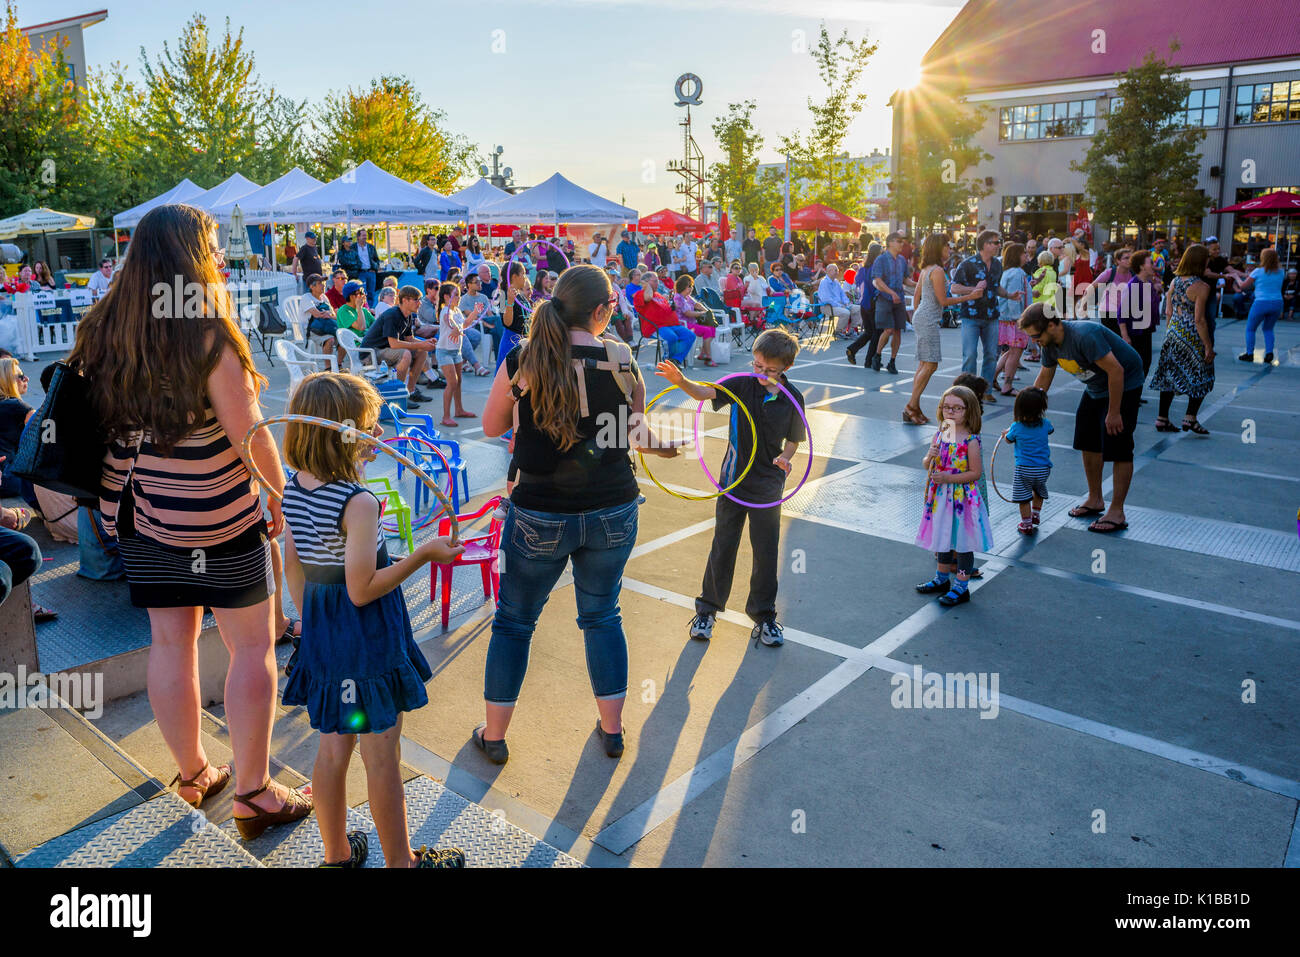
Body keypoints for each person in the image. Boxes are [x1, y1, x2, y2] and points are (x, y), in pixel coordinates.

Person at [66, 202, 313, 833]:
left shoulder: (103, 329)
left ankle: (193, 773)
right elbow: (249, 435)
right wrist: (280, 492)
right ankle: (255, 792)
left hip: (144, 516)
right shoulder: (209, 335)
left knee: (170, 645)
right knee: (252, 647)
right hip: (221, 519)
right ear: (192, 256)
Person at [475, 264, 685, 763]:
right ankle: (611, 730)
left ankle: (496, 735)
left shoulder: (523, 360)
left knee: (513, 622)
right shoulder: (621, 359)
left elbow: (489, 427)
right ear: (598, 311)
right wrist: (670, 449)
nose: (615, 311)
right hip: (613, 507)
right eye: (613, 304)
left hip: (539, 514)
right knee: (602, 614)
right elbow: (635, 435)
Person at [280, 371, 466, 868]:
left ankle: (337, 855)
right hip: (365, 640)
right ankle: (401, 863)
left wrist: (314, 621)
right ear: (341, 434)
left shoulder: (292, 488)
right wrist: (424, 553)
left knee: (332, 749)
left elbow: (293, 565)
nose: (378, 436)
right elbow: (362, 590)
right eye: (368, 427)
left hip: (324, 633)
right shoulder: (358, 502)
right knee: (382, 756)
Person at [674, 329, 806, 647]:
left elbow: (794, 441)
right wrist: (681, 382)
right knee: (724, 545)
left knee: (765, 551)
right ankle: (707, 610)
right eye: (757, 365)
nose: (761, 373)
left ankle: (764, 616)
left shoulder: (792, 398)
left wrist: (785, 460)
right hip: (734, 480)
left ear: (785, 369)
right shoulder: (741, 384)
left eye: (770, 370)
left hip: (768, 485)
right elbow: (703, 394)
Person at [1019, 303, 1145, 534]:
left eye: (1036, 336)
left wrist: (1114, 412)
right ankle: (1095, 499)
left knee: (1119, 444)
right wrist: (1026, 413)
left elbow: (1116, 371)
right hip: (1096, 387)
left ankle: (1117, 511)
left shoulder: (1084, 335)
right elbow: (1045, 375)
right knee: (1087, 440)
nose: (1034, 342)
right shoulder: (1048, 342)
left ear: (1052, 324)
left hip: (1124, 383)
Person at [914, 385, 994, 607]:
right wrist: (929, 457)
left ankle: (961, 586)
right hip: (940, 497)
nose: (950, 412)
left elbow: (975, 473)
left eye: (957, 408)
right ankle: (941, 579)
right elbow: (927, 465)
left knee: (963, 543)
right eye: (946, 407)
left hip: (962, 499)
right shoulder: (942, 432)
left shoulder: (971, 440)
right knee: (943, 537)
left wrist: (948, 478)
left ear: (969, 411)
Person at [903, 235, 985, 426]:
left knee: (925, 364)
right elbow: (944, 301)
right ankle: (910, 406)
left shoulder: (927, 269)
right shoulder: (937, 270)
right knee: (930, 365)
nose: (949, 248)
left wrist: (919, 315)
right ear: (937, 248)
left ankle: (913, 407)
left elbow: (917, 296)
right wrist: (971, 296)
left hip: (923, 318)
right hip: (928, 320)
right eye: (946, 245)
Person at [1149, 244, 1215, 435]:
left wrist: (1172, 332)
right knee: (1203, 374)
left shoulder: (1175, 282)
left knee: (1170, 375)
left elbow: (1168, 311)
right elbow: (1199, 319)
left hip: (1174, 333)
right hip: (1193, 335)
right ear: (1201, 261)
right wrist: (1208, 345)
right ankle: (1190, 418)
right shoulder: (1202, 287)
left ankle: (1162, 418)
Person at [951, 231, 1012, 400]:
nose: (998, 245)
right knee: (970, 354)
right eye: (995, 242)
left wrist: (1009, 295)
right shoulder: (968, 264)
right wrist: (974, 289)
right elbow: (954, 288)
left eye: (999, 242)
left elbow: (995, 287)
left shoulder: (998, 265)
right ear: (985, 244)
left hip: (992, 315)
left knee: (991, 355)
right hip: (971, 316)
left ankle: (986, 391)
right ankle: (968, 392)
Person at [360, 285, 436, 406]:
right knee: (405, 354)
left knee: (422, 352)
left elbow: (409, 339)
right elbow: (394, 344)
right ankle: (399, 396)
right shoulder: (392, 315)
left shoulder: (408, 315)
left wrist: (426, 343)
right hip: (371, 353)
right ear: (405, 300)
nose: (420, 303)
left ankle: (410, 392)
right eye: (416, 299)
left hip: (385, 350)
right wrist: (422, 344)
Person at [1003, 387, 1053, 535]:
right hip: (1044, 468)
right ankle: (1035, 514)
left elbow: (1008, 440)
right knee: (1038, 490)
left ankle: (1026, 524)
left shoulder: (1016, 427)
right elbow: (1050, 430)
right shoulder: (1046, 423)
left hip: (1024, 469)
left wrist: (1006, 433)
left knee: (1023, 497)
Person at [435, 281, 484, 428]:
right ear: (446, 297)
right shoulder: (446, 311)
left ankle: (459, 410)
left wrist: (475, 312)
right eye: (455, 294)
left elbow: (465, 324)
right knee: (452, 383)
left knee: (458, 382)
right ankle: (445, 416)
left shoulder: (456, 311)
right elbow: (448, 321)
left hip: (456, 352)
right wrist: (456, 328)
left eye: (458, 294)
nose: (459, 297)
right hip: (444, 352)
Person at [870, 232, 914, 373]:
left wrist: (919, 284)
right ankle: (877, 356)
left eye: (903, 241)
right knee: (888, 329)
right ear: (890, 243)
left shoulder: (902, 260)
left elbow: (905, 280)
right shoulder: (881, 259)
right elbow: (877, 280)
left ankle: (892, 361)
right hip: (885, 298)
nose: (902, 244)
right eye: (899, 241)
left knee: (898, 331)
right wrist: (891, 293)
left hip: (898, 299)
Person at [632, 271, 695, 365]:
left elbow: (668, 308)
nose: (658, 283)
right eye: (655, 281)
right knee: (671, 337)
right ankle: (668, 361)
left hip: (672, 325)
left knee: (690, 335)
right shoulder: (639, 294)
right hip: (655, 327)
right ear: (646, 282)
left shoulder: (659, 295)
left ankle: (676, 359)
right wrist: (646, 286)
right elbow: (648, 297)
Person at [994, 242, 1031, 397]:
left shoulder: (1009, 272)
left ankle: (991, 379)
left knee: (1010, 351)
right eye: (1024, 253)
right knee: (1015, 352)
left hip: (1006, 317)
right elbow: (1013, 297)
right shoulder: (1017, 273)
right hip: (1014, 318)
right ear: (1017, 256)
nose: (1027, 256)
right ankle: (1007, 385)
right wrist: (1019, 318)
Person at [1121, 250, 1162, 390]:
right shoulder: (1133, 285)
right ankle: (1130, 394)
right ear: (1142, 266)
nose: (1153, 265)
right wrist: (1125, 336)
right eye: (1151, 262)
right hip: (1135, 332)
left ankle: (1135, 393)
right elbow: (1122, 313)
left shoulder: (1148, 283)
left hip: (1146, 330)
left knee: (1146, 363)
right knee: (1137, 365)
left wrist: (1158, 291)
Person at [1238, 247, 1285, 363]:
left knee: (1251, 329)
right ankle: (1269, 353)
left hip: (1261, 302)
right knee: (1268, 329)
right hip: (1277, 303)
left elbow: (1243, 286)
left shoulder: (1257, 271)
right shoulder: (1281, 272)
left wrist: (1235, 276)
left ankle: (1249, 354)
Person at [846, 242, 883, 367]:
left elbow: (857, 286)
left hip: (863, 304)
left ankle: (852, 349)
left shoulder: (862, 270)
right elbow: (878, 287)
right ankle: (869, 360)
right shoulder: (876, 269)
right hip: (873, 303)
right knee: (877, 332)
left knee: (869, 332)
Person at [673, 274, 717, 366]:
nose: (691, 288)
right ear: (682, 286)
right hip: (683, 325)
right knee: (706, 330)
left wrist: (707, 311)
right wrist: (701, 314)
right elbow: (687, 313)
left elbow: (697, 305)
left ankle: (703, 353)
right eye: (689, 286)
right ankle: (708, 357)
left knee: (712, 327)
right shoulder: (678, 297)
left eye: (692, 286)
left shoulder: (687, 297)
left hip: (692, 323)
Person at [498, 261, 533, 369]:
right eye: (522, 273)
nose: (525, 277)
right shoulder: (503, 295)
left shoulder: (521, 295)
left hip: (524, 343)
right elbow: (506, 322)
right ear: (514, 276)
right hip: (511, 345)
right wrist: (510, 301)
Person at [353, 229, 379, 307]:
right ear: (358, 237)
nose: (365, 237)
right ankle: (363, 309)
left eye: (366, 235)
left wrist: (375, 267)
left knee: (371, 293)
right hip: (360, 272)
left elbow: (376, 259)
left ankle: (370, 309)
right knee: (362, 292)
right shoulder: (353, 247)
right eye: (363, 235)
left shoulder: (371, 247)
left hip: (371, 272)